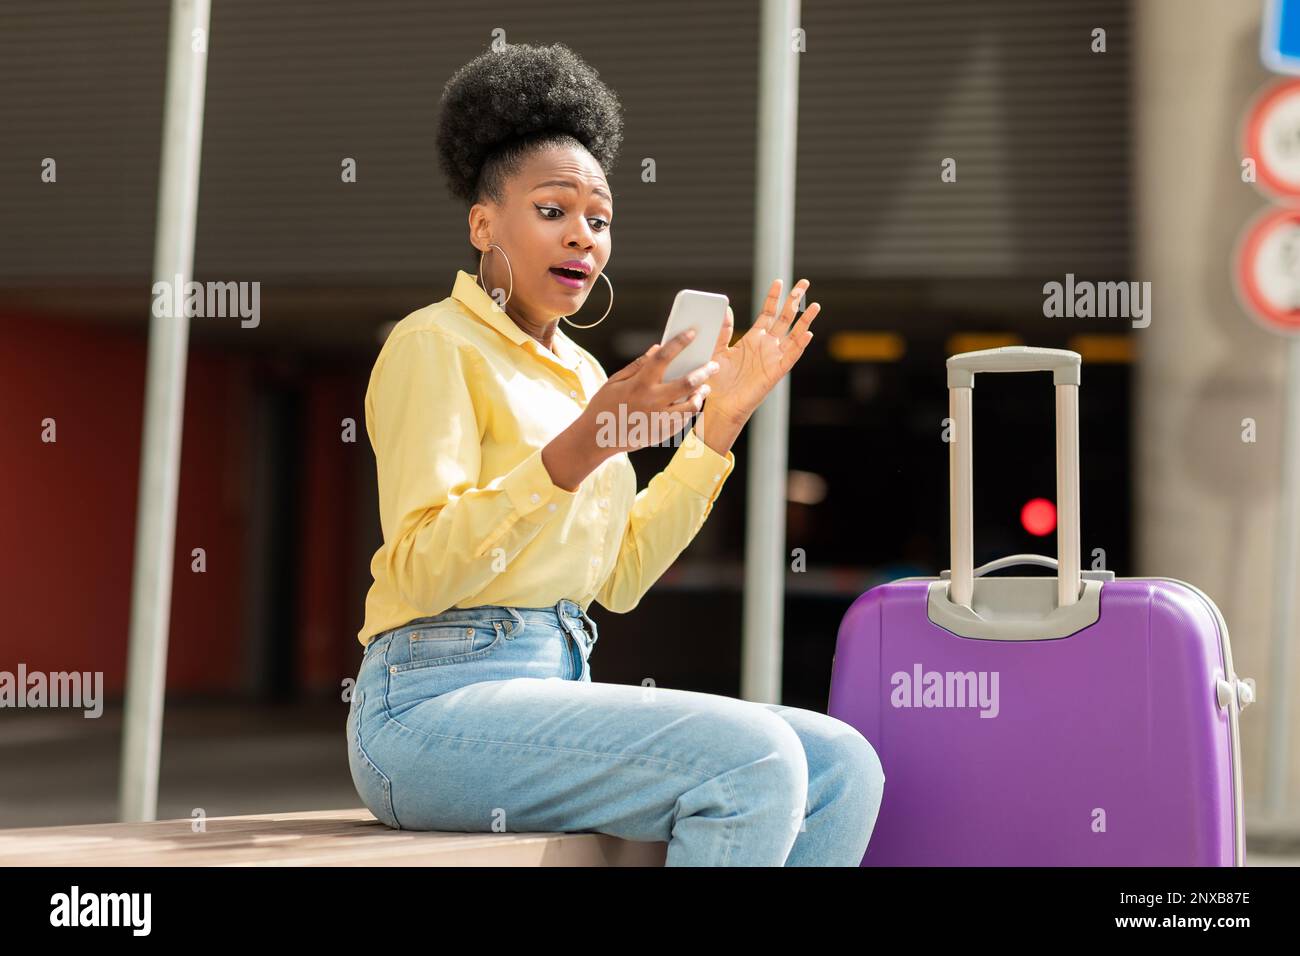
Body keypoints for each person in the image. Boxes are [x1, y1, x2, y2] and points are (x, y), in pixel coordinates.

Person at [346, 41, 884, 866]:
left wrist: (717, 429)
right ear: (483, 224)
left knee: (843, 764)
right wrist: (584, 443)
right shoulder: (435, 344)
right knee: (753, 759)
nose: (584, 239)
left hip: (552, 689)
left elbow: (620, 577)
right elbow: (418, 569)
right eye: (554, 210)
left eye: (600, 220)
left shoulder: (586, 375)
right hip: (426, 708)